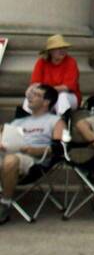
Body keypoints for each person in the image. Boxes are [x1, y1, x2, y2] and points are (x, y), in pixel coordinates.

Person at [0, 85, 65, 221]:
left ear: (46, 102)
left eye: (35, 94)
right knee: (9, 157)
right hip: (8, 153)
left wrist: (32, 150)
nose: (29, 97)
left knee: (11, 160)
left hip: (33, 159)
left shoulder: (56, 121)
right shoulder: (18, 121)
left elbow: (59, 148)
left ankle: (4, 204)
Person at [28, 35, 80, 115]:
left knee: (62, 97)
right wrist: (40, 93)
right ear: (50, 51)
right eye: (59, 48)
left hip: (68, 96)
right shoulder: (41, 62)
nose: (62, 50)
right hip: (45, 96)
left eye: (64, 48)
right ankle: (26, 124)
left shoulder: (71, 62)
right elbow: (35, 85)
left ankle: (61, 123)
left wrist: (46, 91)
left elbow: (67, 87)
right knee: (30, 99)